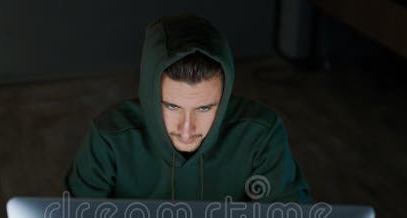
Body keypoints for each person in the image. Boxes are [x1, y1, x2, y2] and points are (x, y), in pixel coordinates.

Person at [64, 14, 311, 203]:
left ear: (224, 98)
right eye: (172, 106)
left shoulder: (261, 134)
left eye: (204, 108)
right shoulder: (108, 138)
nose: (186, 129)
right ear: (151, 97)